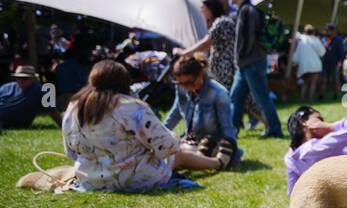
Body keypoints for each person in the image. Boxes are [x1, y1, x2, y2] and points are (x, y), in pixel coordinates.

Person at [62, 60, 226, 191]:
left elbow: (70, 152)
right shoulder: (130, 106)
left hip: (90, 179)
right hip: (134, 178)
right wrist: (176, 140)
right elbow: (167, 146)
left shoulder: (74, 106)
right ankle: (218, 162)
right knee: (180, 154)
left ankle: (203, 152)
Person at [164, 54, 239, 170]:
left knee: (178, 154)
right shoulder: (181, 88)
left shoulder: (219, 94)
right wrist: (158, 134)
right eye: (181, 83)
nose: (186, 87)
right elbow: (175, 114)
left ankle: (217, 160)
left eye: (190, 83)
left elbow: (227, 129)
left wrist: (231, 153)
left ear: (200, 75)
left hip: (210, 143)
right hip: (189, 142)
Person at [229, 0, 283, 138]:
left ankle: (274, 129)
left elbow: (246, 38)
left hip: (250, 62)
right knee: (236, 97)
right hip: (249, 63)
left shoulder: (247, 11)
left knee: (261, 97)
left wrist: (239, 57)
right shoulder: (251, 10)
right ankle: (232, 130)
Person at [284, 107, 347, 195]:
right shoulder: (320, 146)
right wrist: (330, 126)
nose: (323, 122)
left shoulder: (290, 157)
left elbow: (292, 192)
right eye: (319, 119)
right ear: (303, 121)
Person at [175, 0, 238, 93]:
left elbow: (206, 43)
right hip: (223, 69)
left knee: (224, 97)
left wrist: (184, 53)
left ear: (210, 8)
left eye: (203, 8)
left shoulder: (222, 22)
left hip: (225, 69)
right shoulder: (222, 22)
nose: (201, 11)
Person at [0, 64, 45, 129]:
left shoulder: (40, 89)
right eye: (18, 77)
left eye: (25, 78)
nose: (21, 81)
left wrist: (62, 124)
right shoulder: (6, 87)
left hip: (12, 123)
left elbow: (52, 110)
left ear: (33, 78)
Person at [292, 25, 326, 103]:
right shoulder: (316, 40)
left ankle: (302, 100)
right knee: (313, 83)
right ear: (313, 32)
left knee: (305, 83)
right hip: (315, 66)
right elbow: (322, 52)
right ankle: (311, 100)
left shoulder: (301, 41)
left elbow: (296, 55)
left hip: (304, 66)